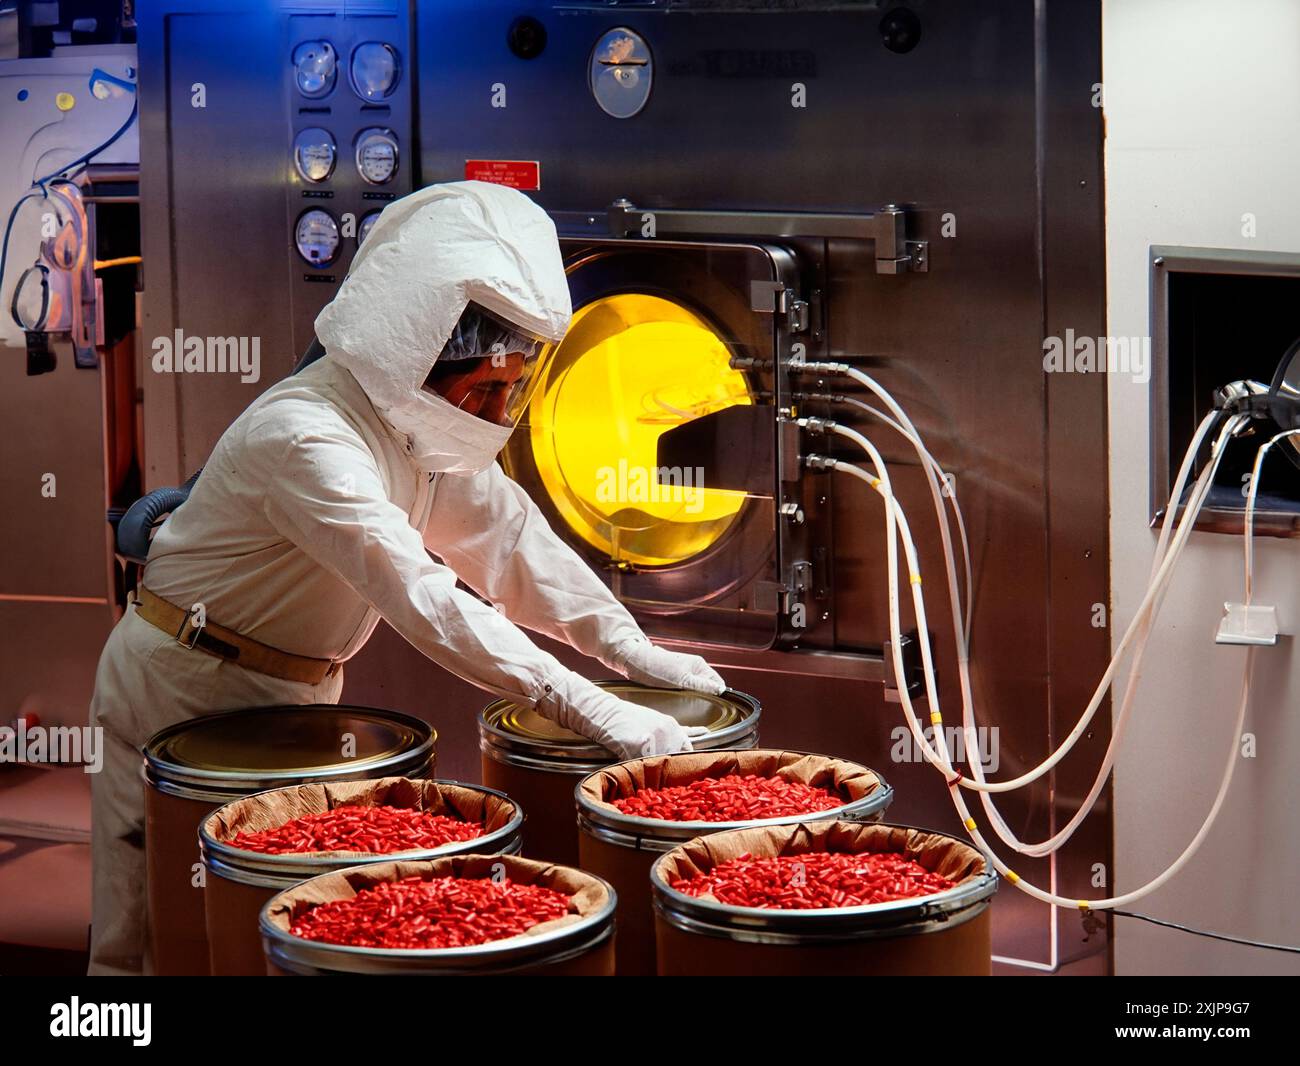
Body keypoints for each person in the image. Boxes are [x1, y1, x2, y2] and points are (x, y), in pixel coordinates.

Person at [88, 180, 725, 975]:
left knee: (266, 935)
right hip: (182, 694)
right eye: (486, 387)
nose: (498, 411)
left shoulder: (424, 437)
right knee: (156, 938)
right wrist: (587, 705)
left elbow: (516, 545)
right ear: (415, 353)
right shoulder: (305, 436)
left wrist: (635, 652)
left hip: (297, 699)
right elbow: (421, 593)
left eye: (513, 388)